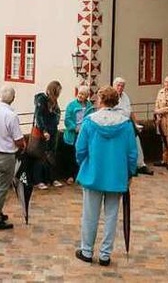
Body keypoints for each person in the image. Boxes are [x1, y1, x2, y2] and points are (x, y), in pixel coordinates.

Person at [75, 85, 138, 267]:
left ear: (100, 101)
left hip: (93, 173)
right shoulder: (125, 124)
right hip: (116, 175)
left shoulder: (89, 121)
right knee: (111, 215)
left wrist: (84, 164)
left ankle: (86, 250)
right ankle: (105, 254)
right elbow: (131, 153)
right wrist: (130, 172)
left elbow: (80, 149)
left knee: (90, 215)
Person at [0, 85, 26, 231]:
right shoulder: (11, 115)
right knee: (1, 188)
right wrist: (23, 146)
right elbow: (18, 139)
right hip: (5, 155)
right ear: (13, 99)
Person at [113, 77, 154, 175]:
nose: (120, 88)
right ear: (114, 85)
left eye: (122, 86)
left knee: (136, 142)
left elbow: (130, 111)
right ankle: (127, 168)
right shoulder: (112, 96)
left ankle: (140, 165)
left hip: (127, 123)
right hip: (117, 125)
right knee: (121, 147)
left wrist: (135, 123)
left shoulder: (125, 96)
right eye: (118, 85)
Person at [32, 80, 63, 189]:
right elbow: (39, 116)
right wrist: (44, 130)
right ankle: (38, 180)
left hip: (53, 130)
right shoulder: (42, 99)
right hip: (43, 132)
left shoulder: (54, 102)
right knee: (40, 156)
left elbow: (57, 114)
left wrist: (56, 119)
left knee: (51, 155)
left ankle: (51, 178)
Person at [60, 86, 94, 184]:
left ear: (87, 96)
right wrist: (74, 128)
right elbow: (67, 119)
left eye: (82, 94)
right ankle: (70, 176)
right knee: (71, 156)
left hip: (84, 134)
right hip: (72, 135)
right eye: (79, 93)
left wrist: (85, 129)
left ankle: (79, 175)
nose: (80, 95)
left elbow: (91, 119)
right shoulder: (71, 105)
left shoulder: (89, 106)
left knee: (82, 154)